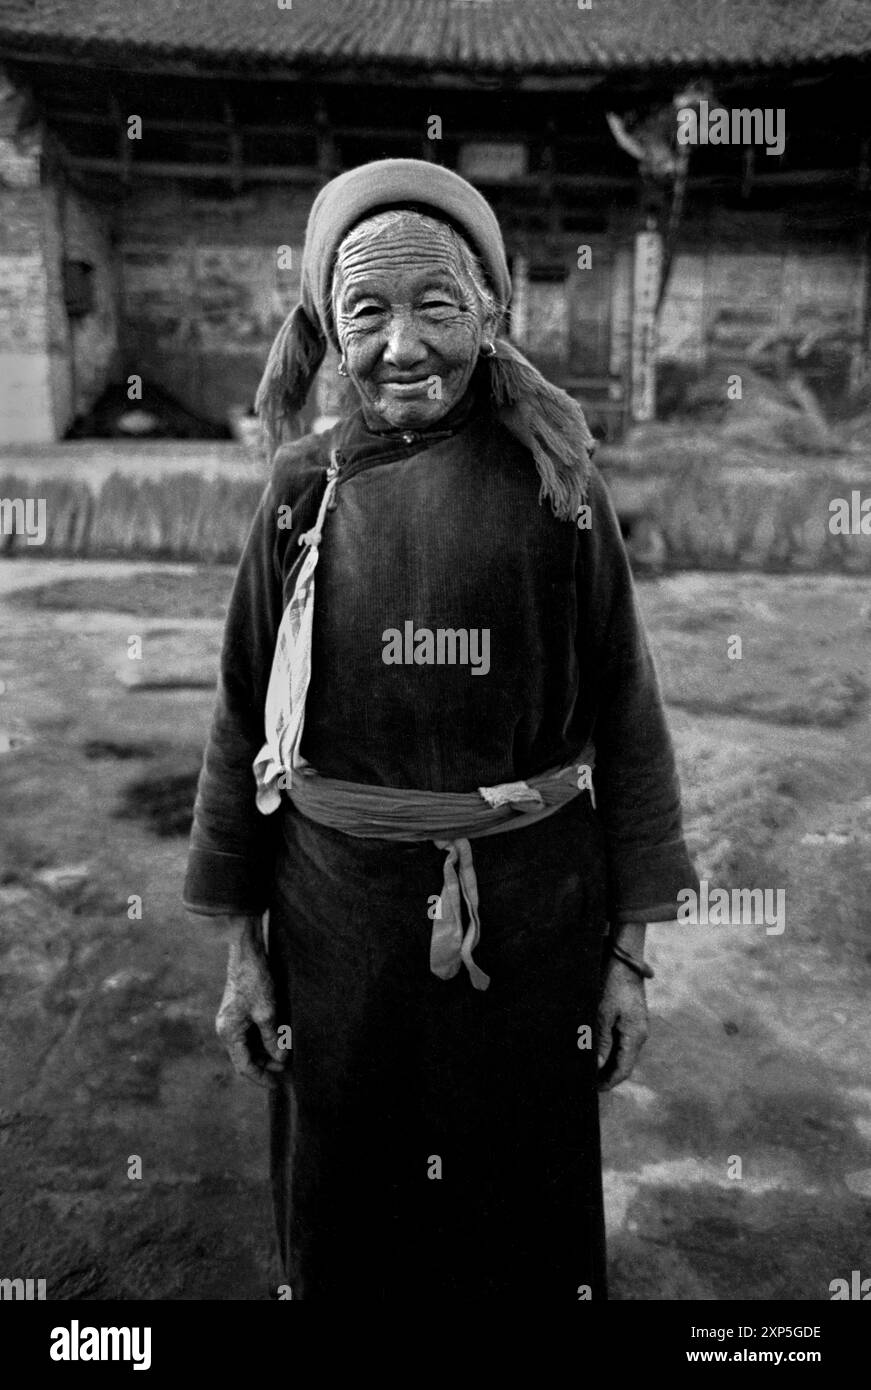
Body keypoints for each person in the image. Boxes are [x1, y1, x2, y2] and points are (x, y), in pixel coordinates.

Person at [183, 158, 699, 1302]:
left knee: (516, 1218)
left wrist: (627, 953)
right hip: (336, 928)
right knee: (349, 1211)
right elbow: (238, 717)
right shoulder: (297, 490)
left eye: (437, 306)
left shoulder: (558, 483)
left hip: (528, 923)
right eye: (367, 311)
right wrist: (240, 952)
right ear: (326, 324)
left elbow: (625, 709)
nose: (402, 345)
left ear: (490, 314)